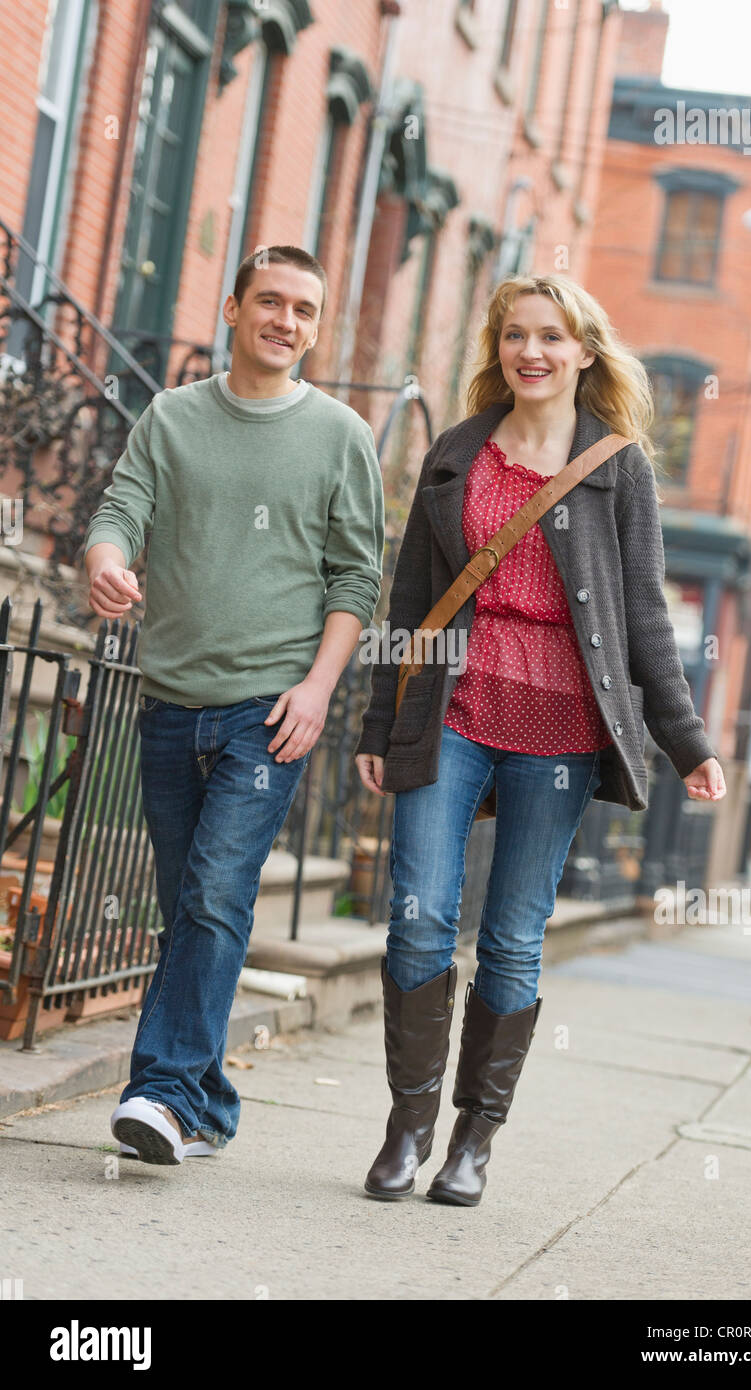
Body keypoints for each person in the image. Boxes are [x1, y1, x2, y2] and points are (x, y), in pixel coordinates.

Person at [354, 272, 726, 1207]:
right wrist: (375, 718)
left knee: (514, 937)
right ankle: (407, 1126)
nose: (533, 352)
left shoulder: (619, 467)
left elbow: (644, 616)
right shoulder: (456, 452)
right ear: (500, 348)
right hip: (454, 710)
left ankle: (474, 1142)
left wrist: (685, 740)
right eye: (518, 335)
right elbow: (410, 600)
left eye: (553, 338)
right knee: (422, 915)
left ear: (585, 353)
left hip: (561, 730)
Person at [84, 246, 384, 1165]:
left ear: (316, 327)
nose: (285, 322)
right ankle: (208, 1102)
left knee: (217, 892)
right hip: (172, 699)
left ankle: (161, 1093)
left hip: (271, 708)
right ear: (231, 307)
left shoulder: (340, 436)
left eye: (303, 309)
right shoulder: (173, 417)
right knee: (189, 907)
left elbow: (356, 576)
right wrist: (106, 561)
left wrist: (320, 686)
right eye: (269, 302)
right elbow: (121, 509)